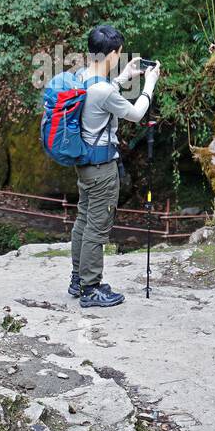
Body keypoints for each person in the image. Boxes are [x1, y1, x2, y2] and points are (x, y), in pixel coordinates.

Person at [69, 24, 160, 308]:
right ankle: (91, 288)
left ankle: (78, 279)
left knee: (83, 221)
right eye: (118, 53)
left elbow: (101, 92)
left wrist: (124, 77)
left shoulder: (81, 77)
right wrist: (149, 84)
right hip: (102, 168)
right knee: (97, 227)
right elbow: (136, 114)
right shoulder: (105, 92)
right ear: (110, 53)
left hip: (84, 164)